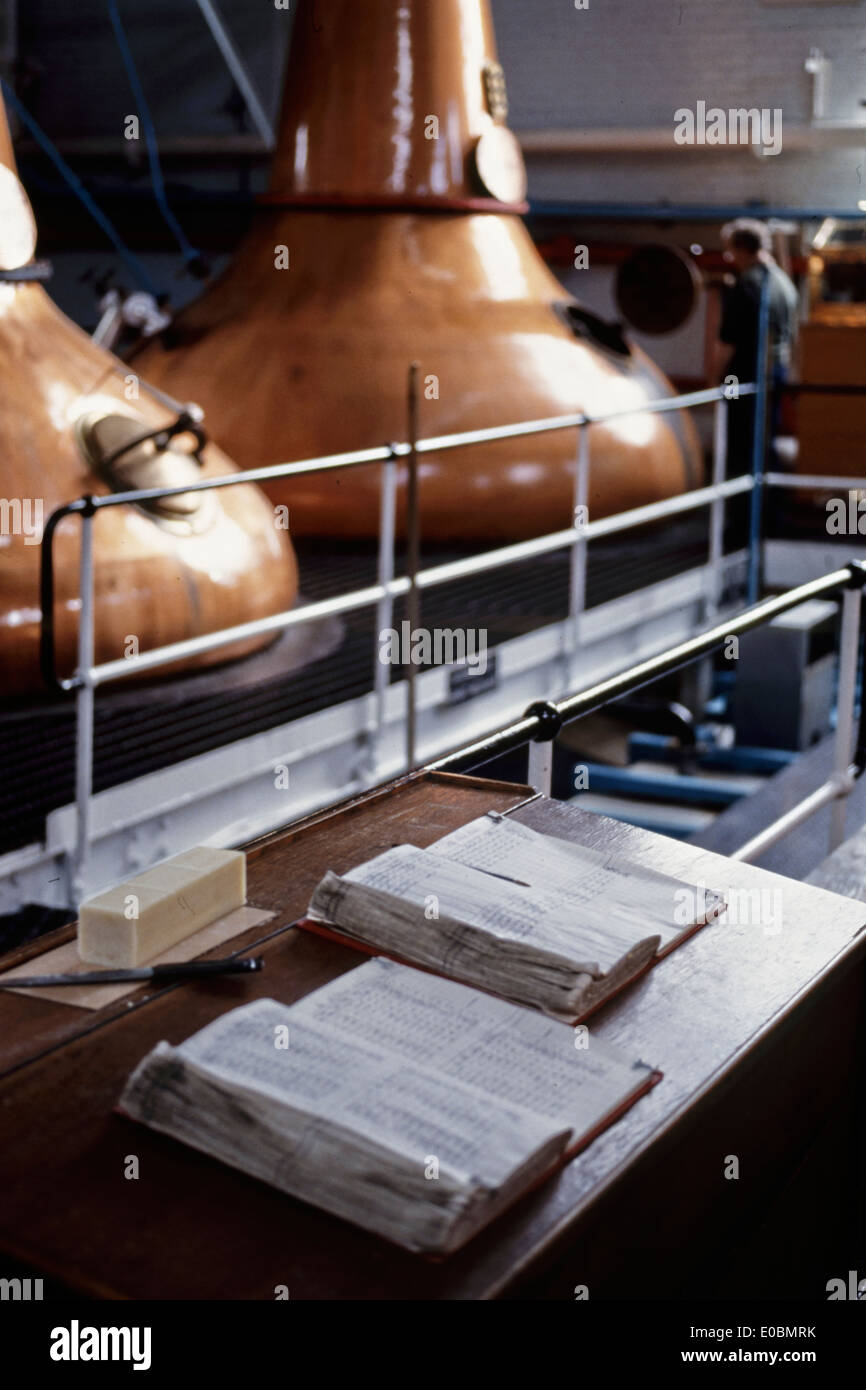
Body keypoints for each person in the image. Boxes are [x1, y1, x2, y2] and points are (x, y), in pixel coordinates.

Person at [714, 219, 799, 479]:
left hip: (743, 376)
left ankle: (743, 502)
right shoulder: (783, 282)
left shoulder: (748, 284)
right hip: (776, 372)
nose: (729, 257)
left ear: (742, 248)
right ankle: (768, 500)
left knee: (740, 443)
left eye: (731, 250)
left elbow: (728, 342)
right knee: (765, 439)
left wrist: (715, 378)